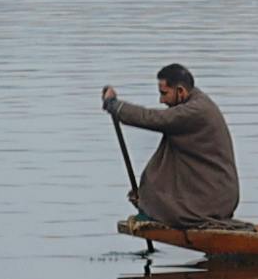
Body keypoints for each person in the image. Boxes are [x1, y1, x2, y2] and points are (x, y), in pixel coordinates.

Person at [103, 62, 241, 227]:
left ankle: (151, 206)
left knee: (153, 203)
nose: (161, 100)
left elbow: (151, 118)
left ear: (180, 91)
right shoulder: (195, 102)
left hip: (213, 200)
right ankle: (150, 203)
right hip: (213, 193)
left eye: (164, 93)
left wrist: (114, 105)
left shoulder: (195, 111)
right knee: (149, 197)